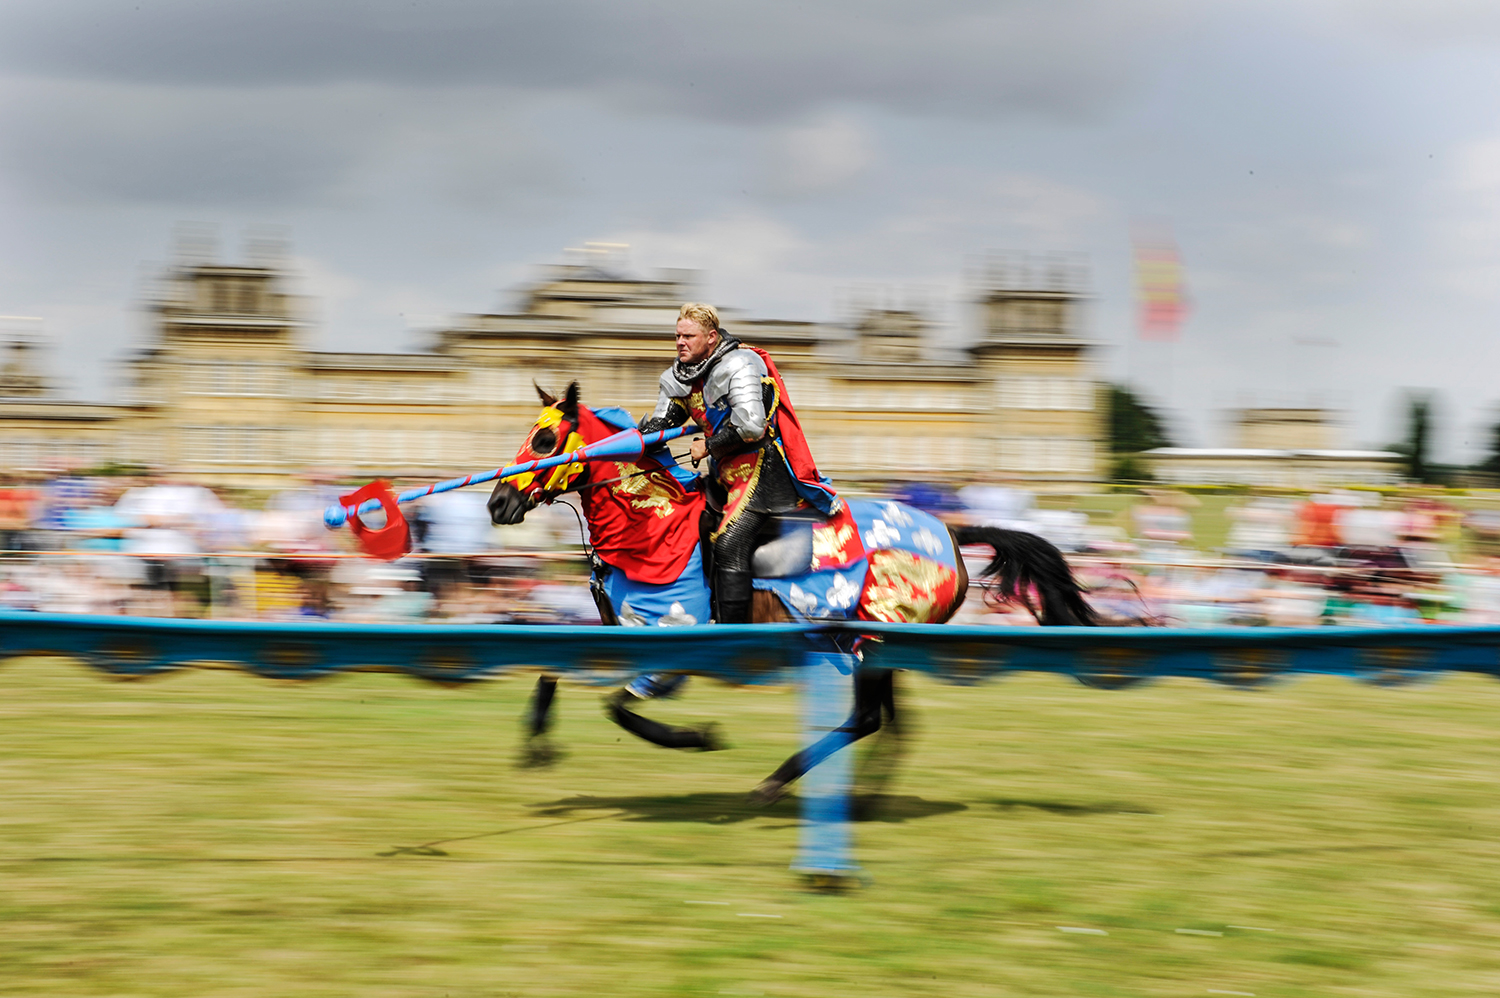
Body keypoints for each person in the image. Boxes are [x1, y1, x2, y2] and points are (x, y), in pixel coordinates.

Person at [638, 302, 837, 623]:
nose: (680, 343)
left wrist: (709, 444)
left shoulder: (741, 364)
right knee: (688, 523)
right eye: (677, 336)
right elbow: (662, 424)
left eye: (688, 336)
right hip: (722, 475)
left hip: (760, 470)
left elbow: (751, 425)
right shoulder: (679, 374)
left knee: (729, 542)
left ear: (711, 338)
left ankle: (733, 634)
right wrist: (622, 441)